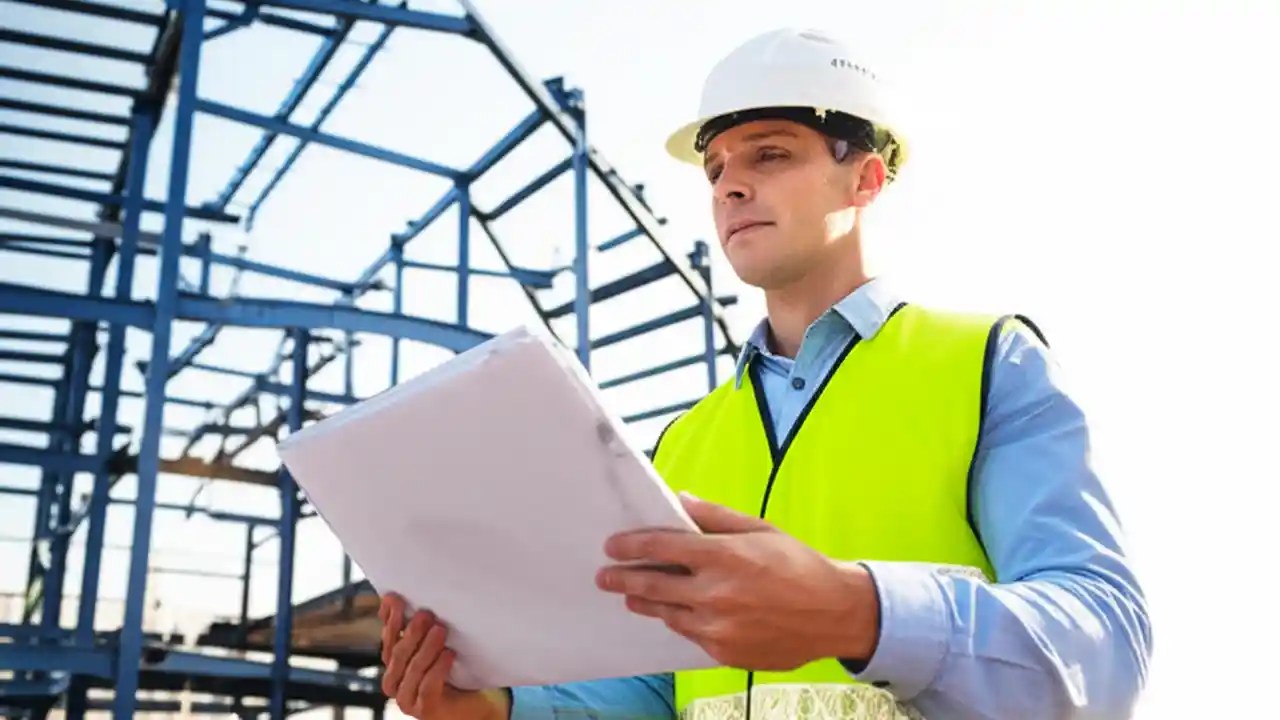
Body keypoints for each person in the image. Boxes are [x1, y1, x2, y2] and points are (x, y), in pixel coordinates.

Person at [376, 26, 1152, 720]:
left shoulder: (986, 362)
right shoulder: (687, 439)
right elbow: (651, 690)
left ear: (867, 179)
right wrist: (492, 711)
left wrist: (861, 614)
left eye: (770, 154)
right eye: (715, 169)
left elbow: (1103, 648)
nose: (729, 186)